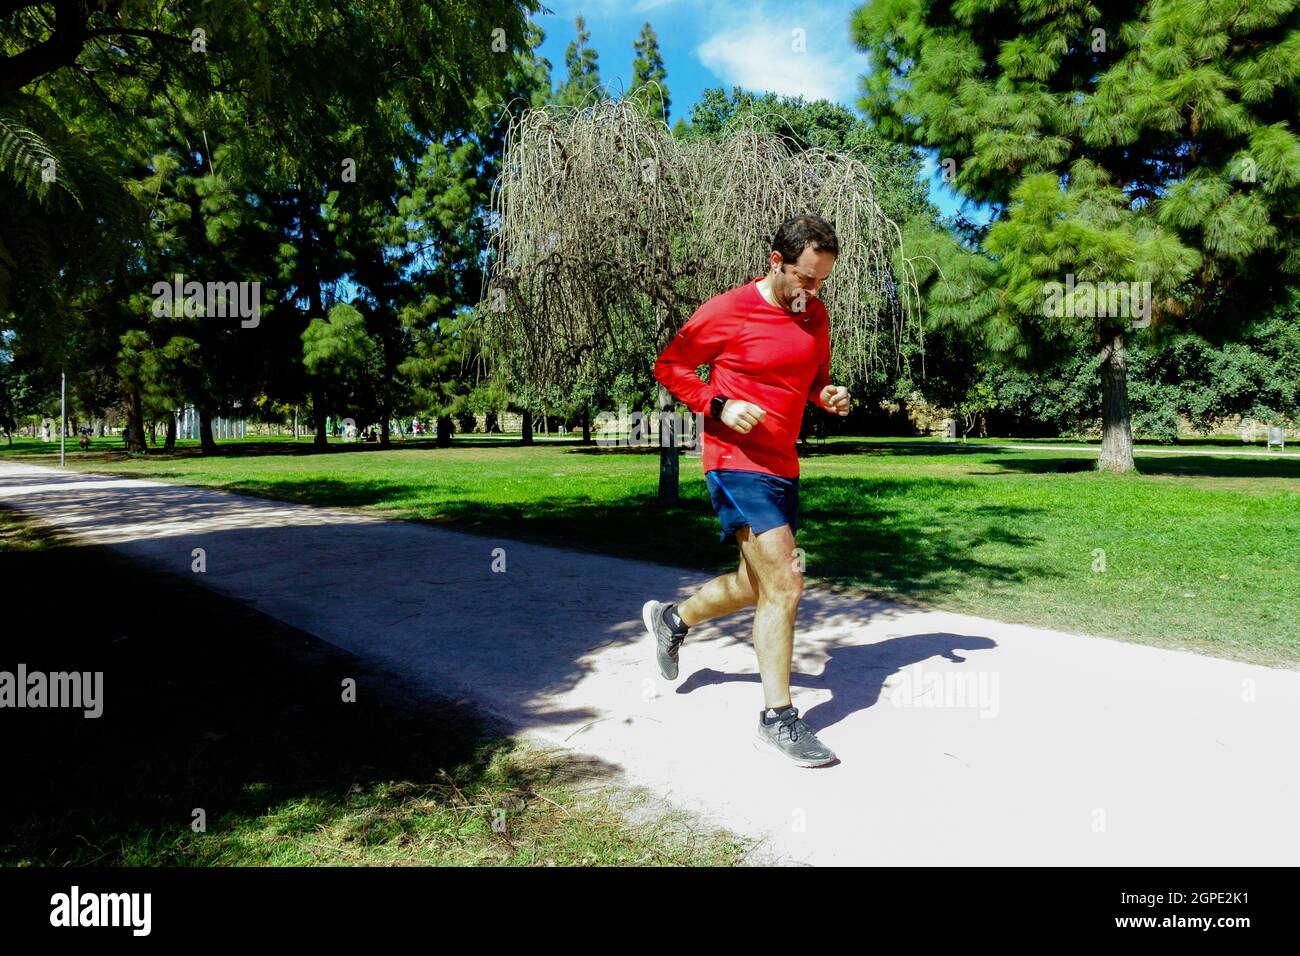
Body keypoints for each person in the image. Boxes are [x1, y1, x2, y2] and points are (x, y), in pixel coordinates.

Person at [642, 213, 851, 768]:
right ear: (776, 262)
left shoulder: (816, 314)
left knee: (756, 585)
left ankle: (673, 619)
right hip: (734, 463)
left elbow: (810, 377)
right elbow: (670, 365)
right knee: (787, 582)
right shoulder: (728, 310)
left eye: (822, 281)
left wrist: (824, 394)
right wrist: (718, 404)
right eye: (806, 279)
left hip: (783, 463)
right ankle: (778, 718)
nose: (813, 291)